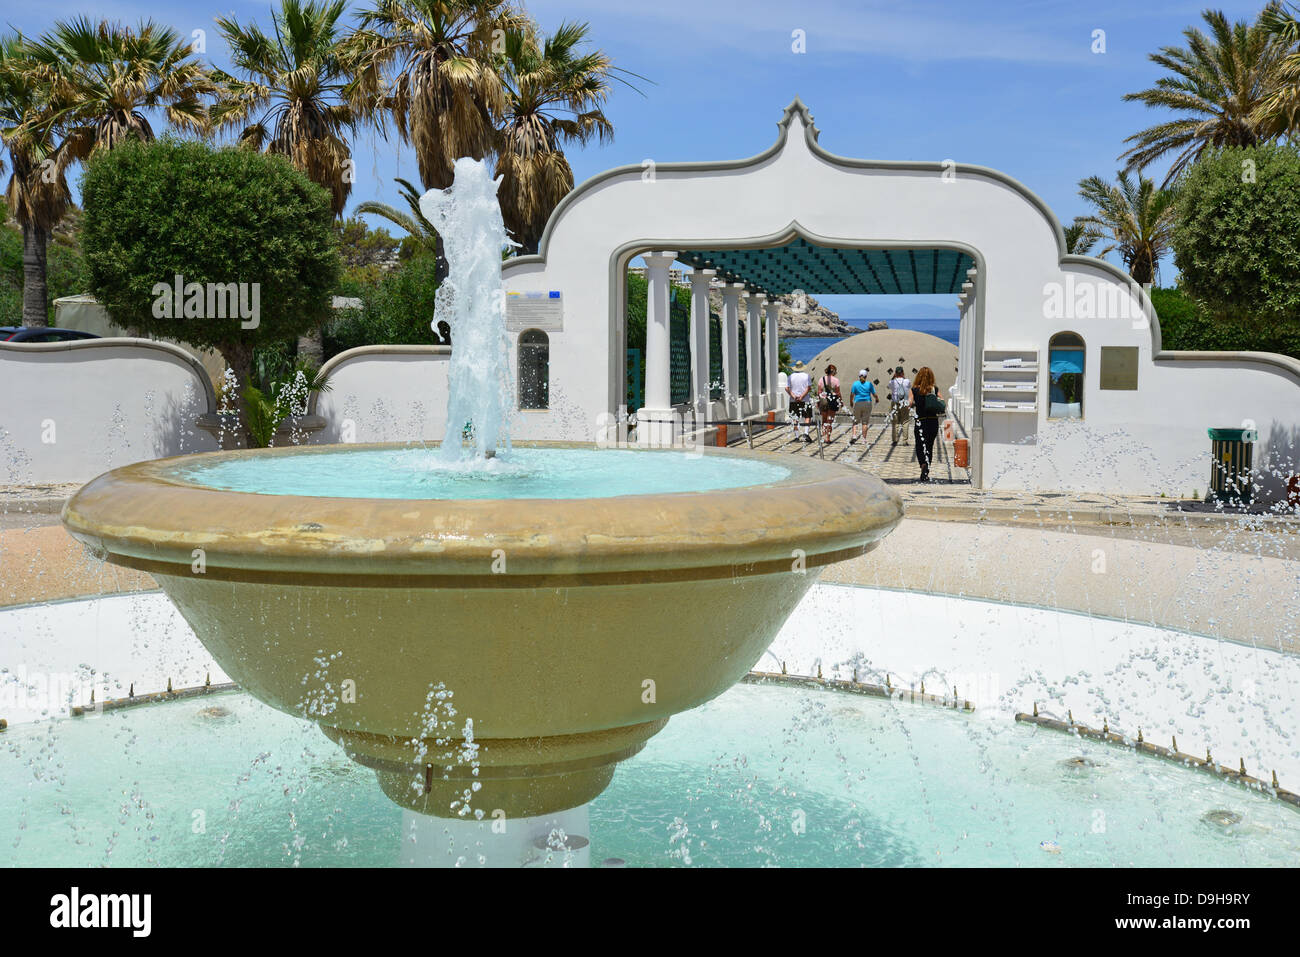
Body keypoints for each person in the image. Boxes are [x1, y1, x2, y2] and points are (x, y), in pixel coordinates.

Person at [909, 366, 945, 483]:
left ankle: (923, 464)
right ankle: (927, 469)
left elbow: (909, 403)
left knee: (920, 445)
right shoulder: (934, 389)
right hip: (933, 421)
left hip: (921, 421)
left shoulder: (914, 389)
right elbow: (942, 401)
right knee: (929, 446)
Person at [785, 361, 813, 443]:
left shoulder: (790, 376)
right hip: (805, 400)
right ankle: (806, 433)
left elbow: (787, 388)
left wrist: (794, 396)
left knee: (795, 418)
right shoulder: (806, 376)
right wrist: (802, 396)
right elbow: (808, 388)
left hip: (793, 400)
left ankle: (797, 436)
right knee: (807, 416)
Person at [849, 369, 876, 444]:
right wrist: (877, 399)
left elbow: (852, 394)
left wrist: (851, 402)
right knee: (865, 422)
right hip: (867, 403)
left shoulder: (855, 384)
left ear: (859, 376)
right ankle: (864, 439)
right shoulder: (869, 384)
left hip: (857, 403)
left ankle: (854, 435)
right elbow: (874, 394)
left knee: (855, 421)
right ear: (866, 376)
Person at [817, 364, 842, 443]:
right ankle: (828, 437)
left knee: (824, 420)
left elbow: (819, 392)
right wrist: (841, 401)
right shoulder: (836, 380)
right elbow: (838, 392)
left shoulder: (821, 379)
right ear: (833, 372)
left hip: (823, 401)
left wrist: (818, 402)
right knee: (829, 421)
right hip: (833, 401)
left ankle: (823, 436)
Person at [888, 367, 911, 446]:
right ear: (903, 373)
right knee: (905, 421)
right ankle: (905, 440)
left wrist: (894, 377)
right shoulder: (907, 381)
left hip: (895, 403)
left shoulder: (892, 382)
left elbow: (889, 386)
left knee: (895, 422)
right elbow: (909, 387)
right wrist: (903, 377)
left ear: (895, 373)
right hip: (904, 402)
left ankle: (895, 440)